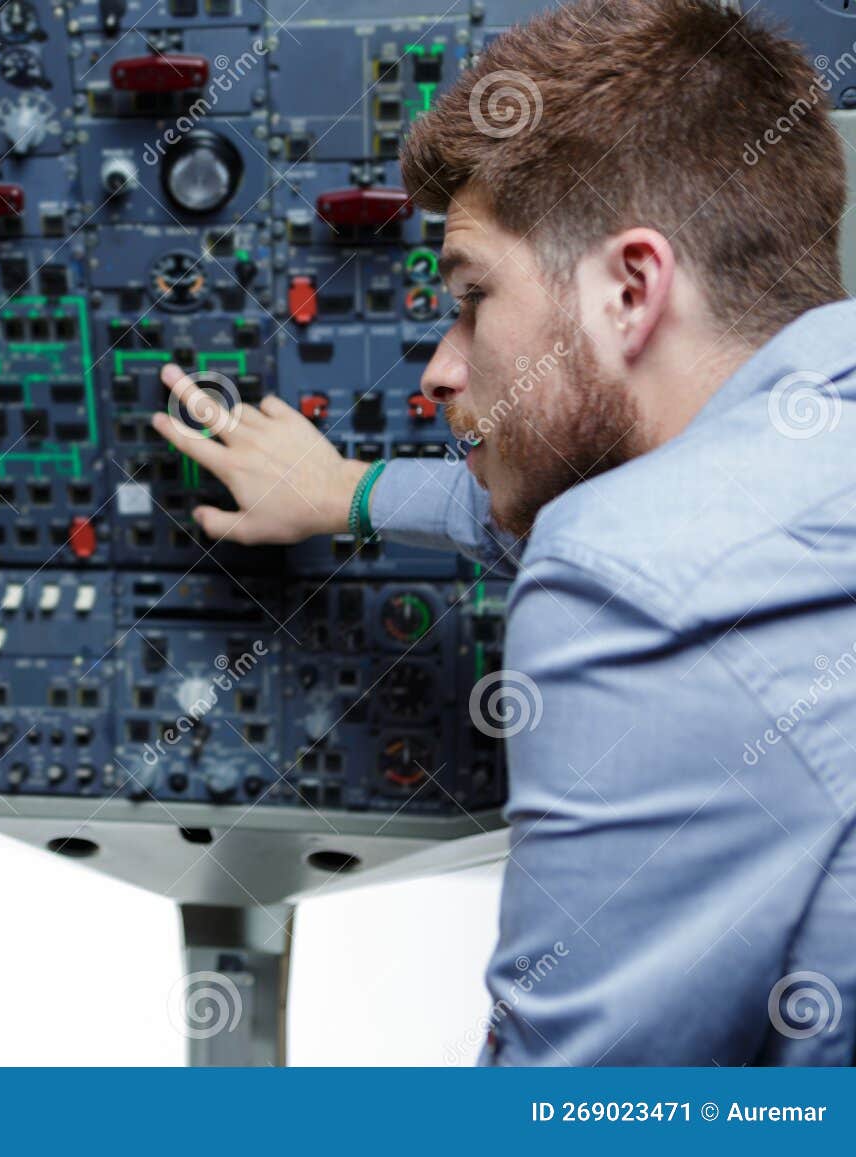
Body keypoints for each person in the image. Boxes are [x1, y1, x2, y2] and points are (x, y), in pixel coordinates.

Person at [153, 0, 856, 1064]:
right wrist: (347, 491)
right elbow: (607, 521)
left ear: (630, 289)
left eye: (472, 297)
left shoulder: (628, 580)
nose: (439, 367)